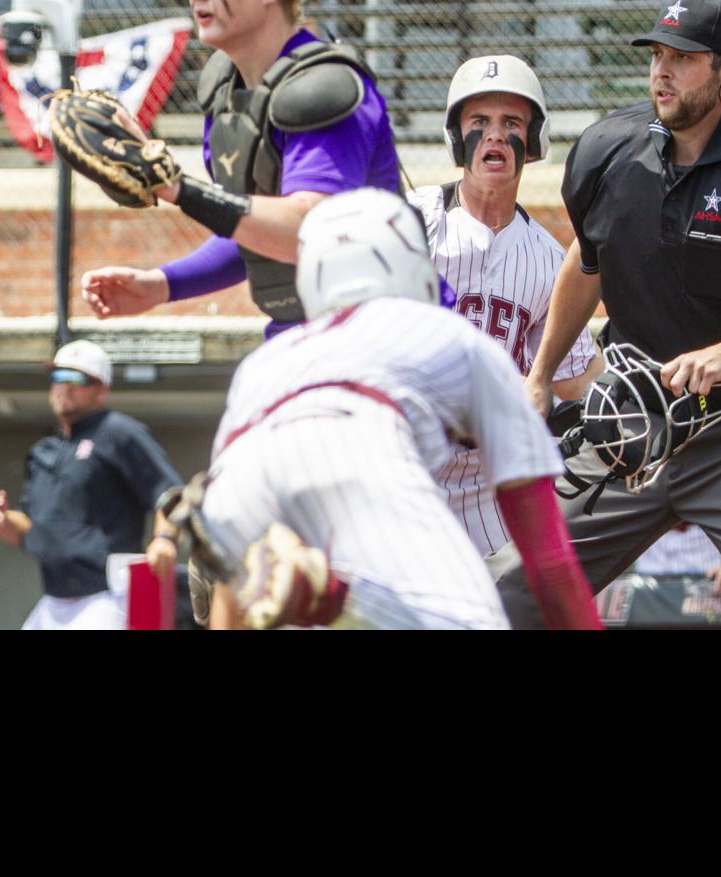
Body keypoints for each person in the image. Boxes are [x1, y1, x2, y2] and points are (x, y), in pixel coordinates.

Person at [497, 0, 721, 630]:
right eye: (657, 55)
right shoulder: (605, 149)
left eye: (684, 59)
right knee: (505, 588)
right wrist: (540, 374)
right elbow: (587, 259)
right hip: (631, 421)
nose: (661, 72)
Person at [195, 187, 600, 630]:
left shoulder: (264, 363)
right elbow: (549, 560)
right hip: (362, 460)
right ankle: (327, 595)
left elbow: (232, 497)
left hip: (235, 499)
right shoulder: (451, 335)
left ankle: (316, 590)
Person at [79, 0, 402, 338]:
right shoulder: (226, 89)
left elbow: (311, 231)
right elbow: (253, 230)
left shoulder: (323, 86)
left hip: (378, 335)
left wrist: (174, 186)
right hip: (301, 336)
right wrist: (162, 284)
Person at [408, 54, 605, 555]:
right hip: (403, 476)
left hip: (488, 496)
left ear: (534, 140)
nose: (495, 135)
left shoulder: (548, 259)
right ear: (456, 138)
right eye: (479, 122)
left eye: (511, 123)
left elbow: (575, 379)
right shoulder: (412, 222)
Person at [0, 341, 185, 630]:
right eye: (58, 377)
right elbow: (29, 527)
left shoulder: (117, 431)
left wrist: (164, 538)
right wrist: (3, 520)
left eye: (75, 378)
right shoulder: (44, 451)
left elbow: (170, 493)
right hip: (54, 598)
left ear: (101, 390)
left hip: (106, 597)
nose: (64, 387)